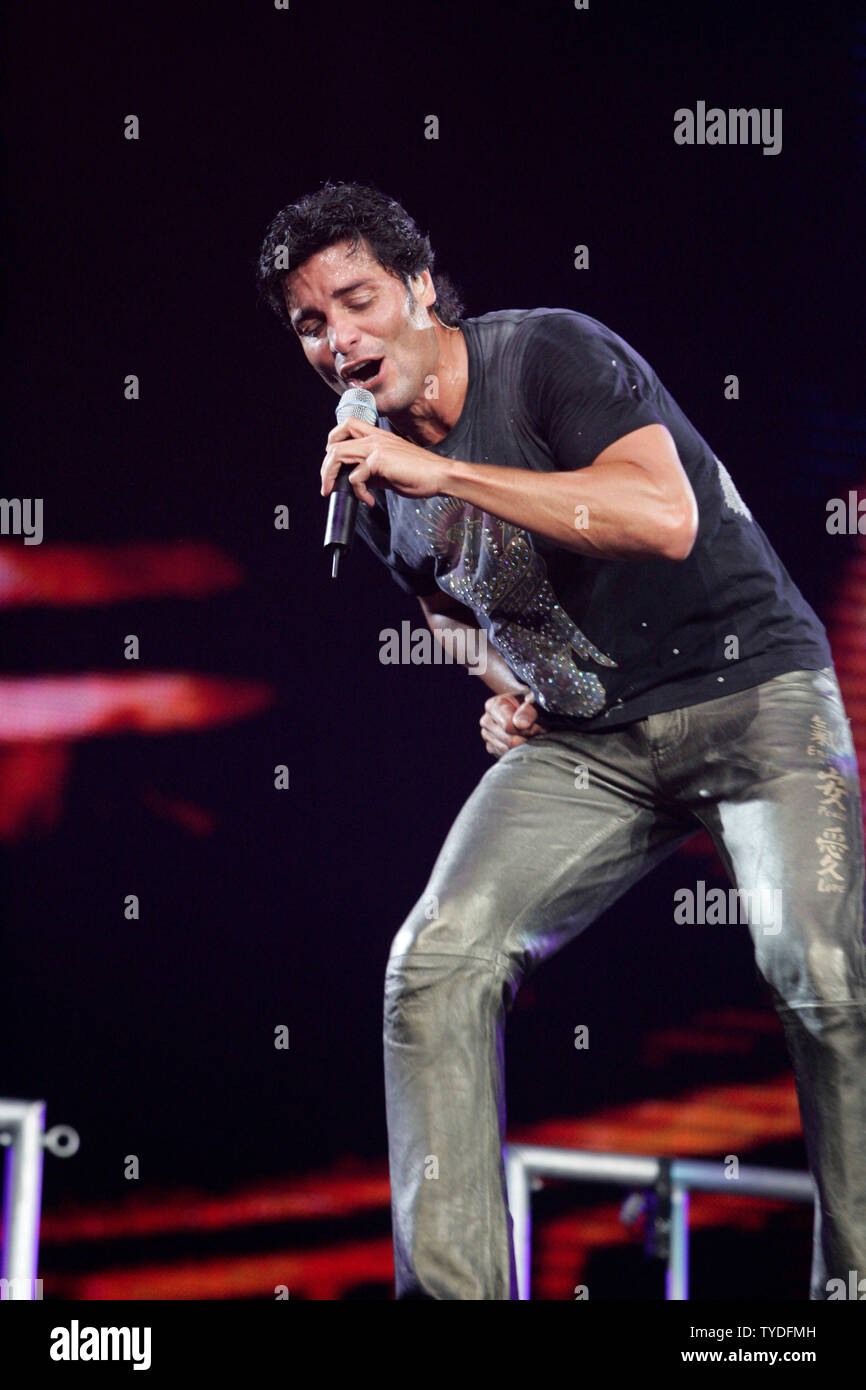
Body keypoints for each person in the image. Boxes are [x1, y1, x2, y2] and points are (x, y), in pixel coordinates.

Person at [256, 181, 866, 1300]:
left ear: (421, 287)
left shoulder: (546, 355)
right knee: (431, 966)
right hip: (591, 743)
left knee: (819, 967)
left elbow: (660, 516)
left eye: (355, 300)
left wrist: (436, 470)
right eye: (307, 322)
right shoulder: (376, 475)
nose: (337, 338)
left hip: (751, 695)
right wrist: (507, 685)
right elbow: (458, 612)